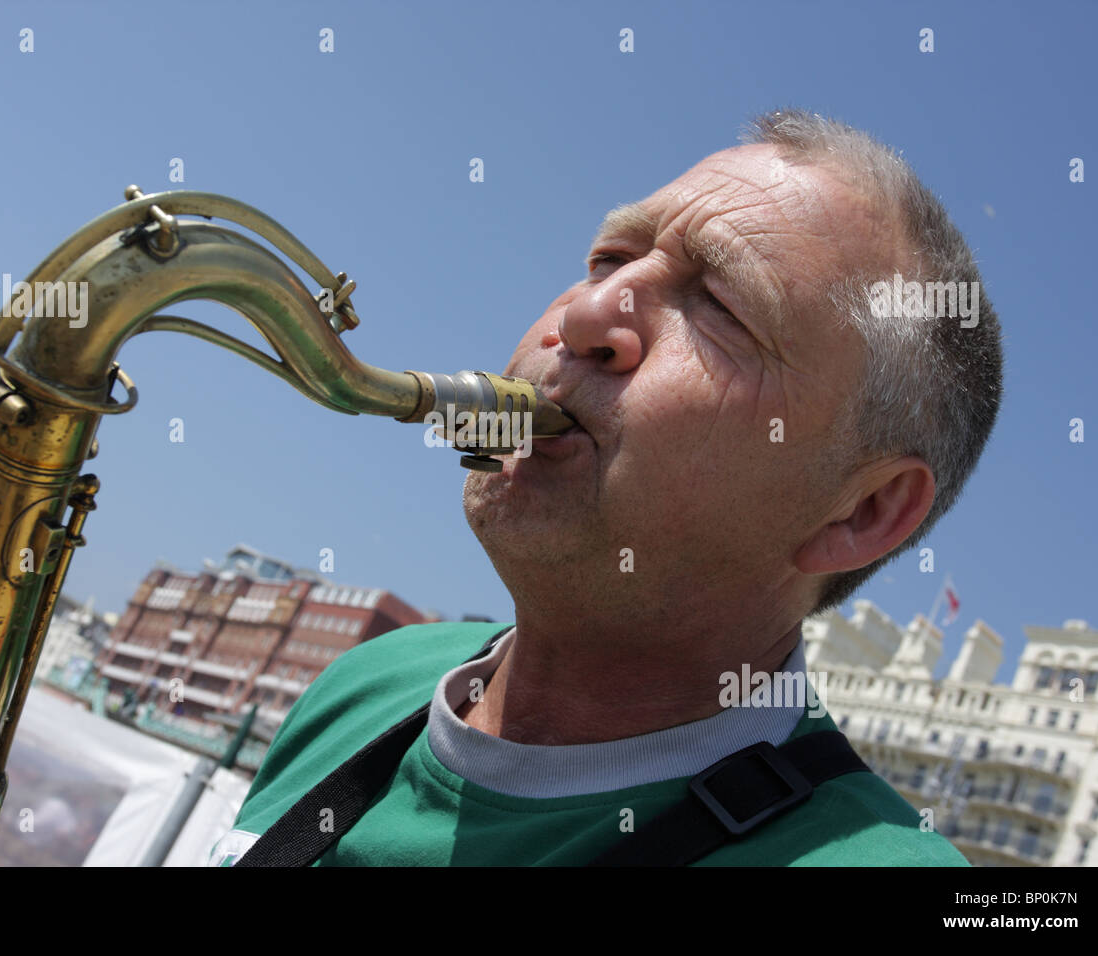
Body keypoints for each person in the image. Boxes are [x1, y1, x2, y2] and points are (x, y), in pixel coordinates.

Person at [213, 109, 1002, 867]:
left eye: (723, 307)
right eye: (609, 260)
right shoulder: (372, 679)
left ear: (862, 511)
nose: (586, 315)